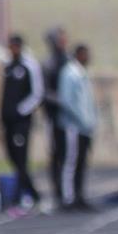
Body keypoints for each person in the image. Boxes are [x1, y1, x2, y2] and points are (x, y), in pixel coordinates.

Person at [0, 33, 44, 210]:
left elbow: (37, 93)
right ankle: (28, 193)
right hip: (8, 122)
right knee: (13, 158)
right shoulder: (8, 66)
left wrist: (20, 111)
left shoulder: (29, 66)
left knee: (21, 158)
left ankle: (26, 195)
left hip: (21, 123)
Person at [56, 42, 97, 211]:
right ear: (79, 54)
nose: (88, 57)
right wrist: (82, 119)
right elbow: (67, 100)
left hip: (84, 127)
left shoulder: (82, 73)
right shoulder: (70, 73)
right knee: (70, 162)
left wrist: (91, 121)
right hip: (72, 126)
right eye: (85, 54)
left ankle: (79, 194)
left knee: (81, 162)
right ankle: (68, 197)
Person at [42, 25, 70, 209]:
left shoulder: (68, 61)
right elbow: (43, 91)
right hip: (54, 117)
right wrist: (61, 100)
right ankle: (58, 191)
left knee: (70, 155)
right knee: (56, 154)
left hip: (70, 117)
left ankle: (70, 192)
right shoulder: (48, 64)